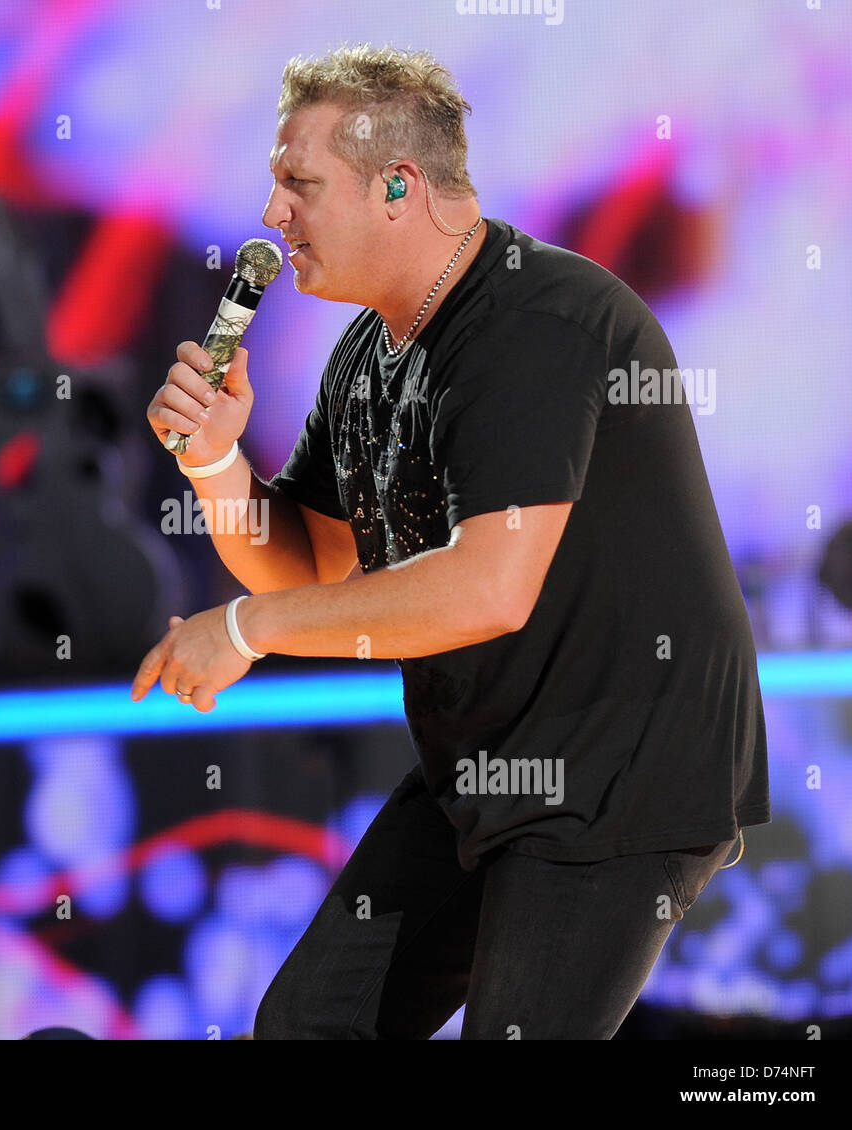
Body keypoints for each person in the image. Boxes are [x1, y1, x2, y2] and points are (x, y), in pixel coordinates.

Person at [133, 43, 769, 1039]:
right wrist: (216, 468)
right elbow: (320, 564)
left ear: (398, 186)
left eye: (298, 184)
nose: (270, 217)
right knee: (308, 1025)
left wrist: (246, 627)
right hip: (481, 764)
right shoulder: (368, 349)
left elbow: (485, 589)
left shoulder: (540, 318)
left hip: (619, 770)